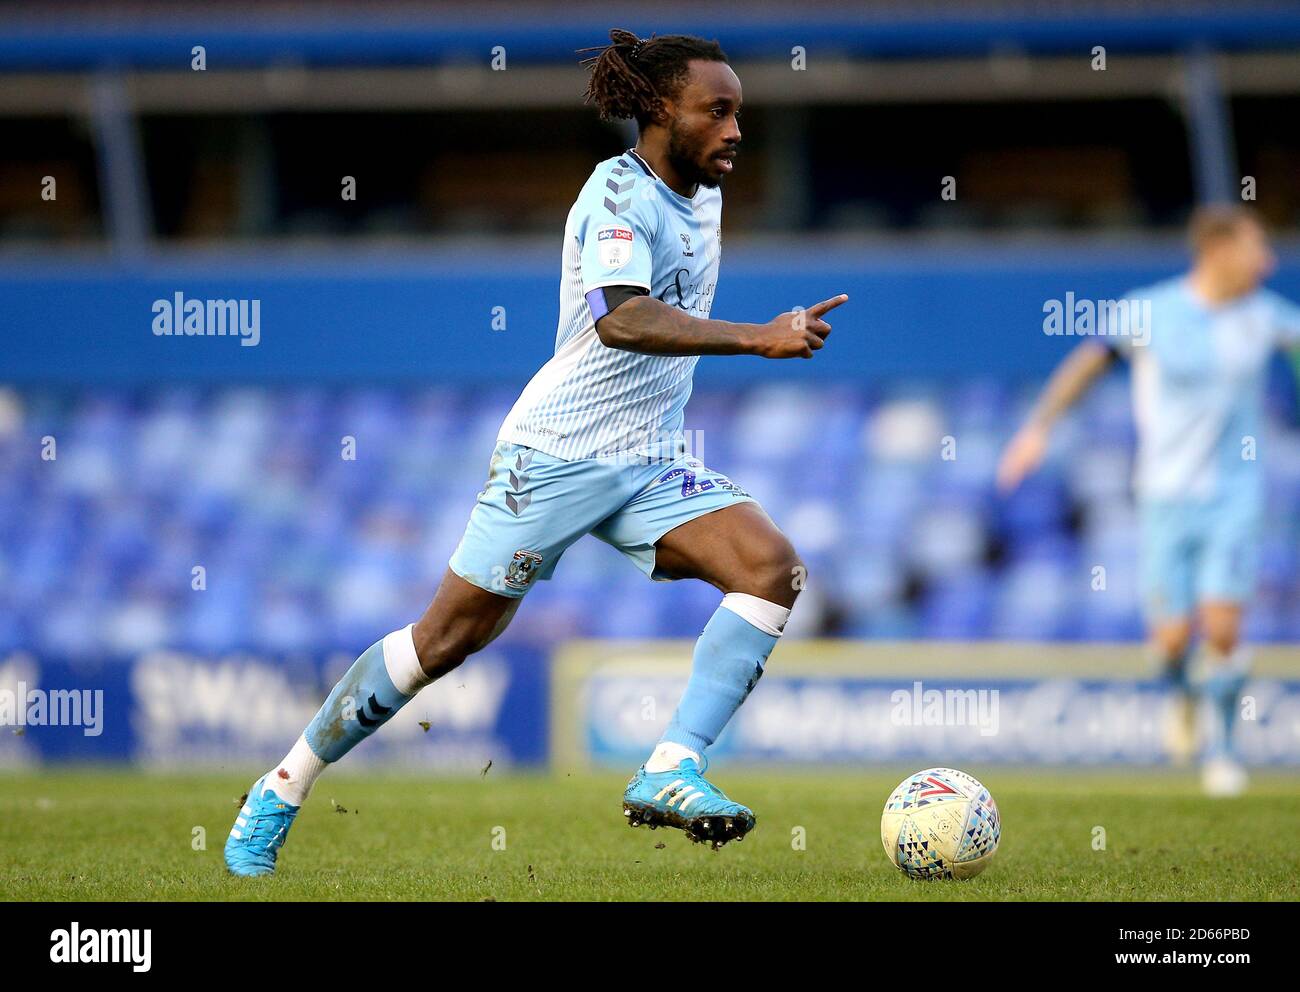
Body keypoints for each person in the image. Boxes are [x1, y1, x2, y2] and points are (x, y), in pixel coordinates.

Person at [225, 29, 848, 875]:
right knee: (442, 643)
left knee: (772, 568)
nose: (737, 129)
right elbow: (620, 317)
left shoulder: (703, 194)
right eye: (719, 110)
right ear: (662, 110)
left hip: (648, 459)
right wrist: (758, 338)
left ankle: (671, 768)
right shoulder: (615, 197)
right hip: (554, 455)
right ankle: (282, 786)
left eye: (740, 111)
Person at [998, 205, 1300, 796]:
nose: (1268, 261)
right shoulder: (1149, 311)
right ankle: (1183, 696)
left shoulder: (1266, 316)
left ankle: (1224, 751)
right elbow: (1086, 364)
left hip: (1235, 494)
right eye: (1255, 247)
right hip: (1164, 496)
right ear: (1217, 250)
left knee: (1222, 627)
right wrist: (1038, 429)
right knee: (1168, 644)